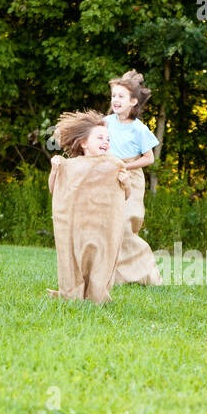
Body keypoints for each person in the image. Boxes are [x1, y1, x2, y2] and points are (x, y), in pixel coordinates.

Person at [48, 110, 130, 304]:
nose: (105, 142)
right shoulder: (71, 166)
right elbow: (56, 192)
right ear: (84, 142)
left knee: (101, 259)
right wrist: (54, 171)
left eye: (108, 139)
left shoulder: (113, 165)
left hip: (103, 226)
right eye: (100, 137)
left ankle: (96, 296)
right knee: (75, 259)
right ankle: (72, 294)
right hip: (77, 225)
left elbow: (124, 196)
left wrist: (125, 183)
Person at [104, 70, 161, 286]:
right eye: (113, 96)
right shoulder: (105, 122)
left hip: (132, 177)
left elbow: (149, 159)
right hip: (108, 175)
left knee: (127, 223)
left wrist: (126, 165)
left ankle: (147, 274)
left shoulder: (139, 129)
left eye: (121, 96)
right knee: (110, 225)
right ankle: (113, 275)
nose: (115, 100)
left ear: (133, 102)